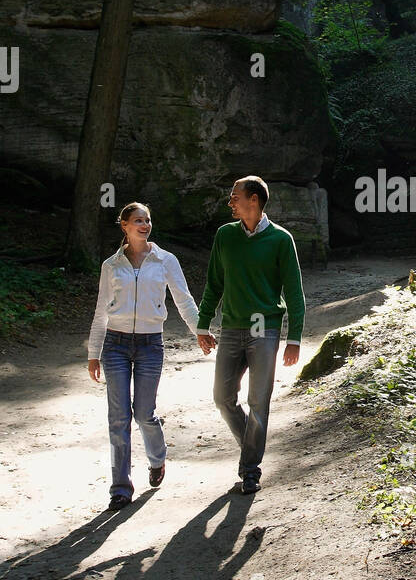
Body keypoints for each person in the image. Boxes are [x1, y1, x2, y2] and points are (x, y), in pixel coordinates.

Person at [87, 202, 201, 511]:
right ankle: (120, 488)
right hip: (115, 346)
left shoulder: (165, 260)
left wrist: (200, 330)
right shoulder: (111, 265)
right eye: (138, 220)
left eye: (148, 220)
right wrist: (93, 353)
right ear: (124, 225)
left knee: (143, 413)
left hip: (151, 344)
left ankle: (157, 457)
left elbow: (184, 299)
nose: (145, 224)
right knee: (119, 418)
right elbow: (100, 311)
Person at [196, 177, 304, 494]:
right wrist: (203, 324)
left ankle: (250, 470)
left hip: (264, 328)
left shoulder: (281, 240)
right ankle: (251, 444)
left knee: (258, 402)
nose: (230, 202)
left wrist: (294, 337)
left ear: (253, 200)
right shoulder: (225, 236)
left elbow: (294, 292)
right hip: (231, 327)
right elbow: (214, 283)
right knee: (222, 397)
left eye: (235, 197)